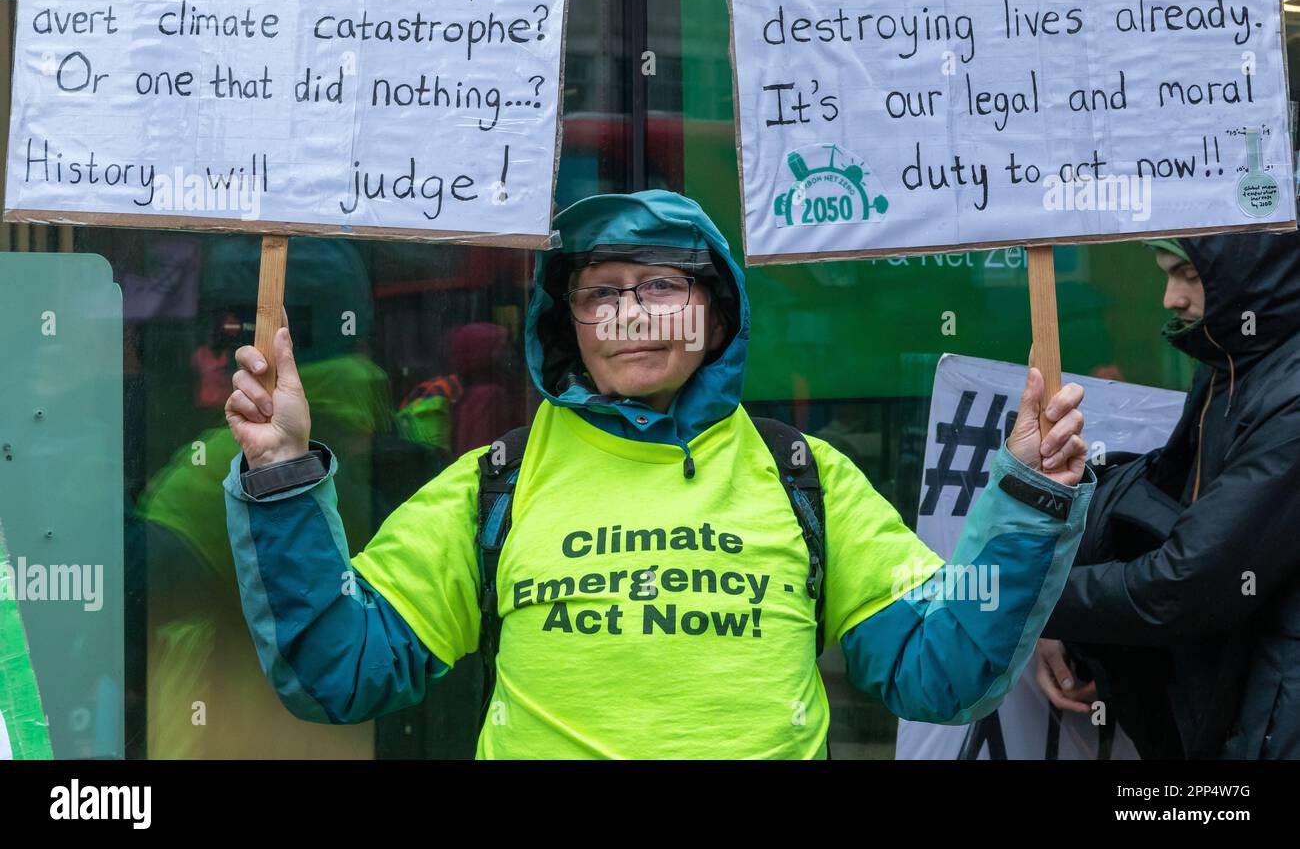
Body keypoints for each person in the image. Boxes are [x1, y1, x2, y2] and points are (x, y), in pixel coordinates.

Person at [222, 189, 1094, 759]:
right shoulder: (497, 482)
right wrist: (282, 470)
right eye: (602, 293)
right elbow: (339, 668)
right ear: (568, 324)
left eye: (663, 285)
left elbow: (944, 672)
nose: (631, 316)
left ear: (716, 313)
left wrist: (1024, 495)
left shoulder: (804, 477)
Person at [1035, 232, 1300, 759]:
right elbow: (1164, 502)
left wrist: (1033, 599)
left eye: (1189, 277)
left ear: (1252, 274)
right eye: (1166, 274)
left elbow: (1190, 581)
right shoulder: (1229, 367)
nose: (1170, 298)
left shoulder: (1284, 393)